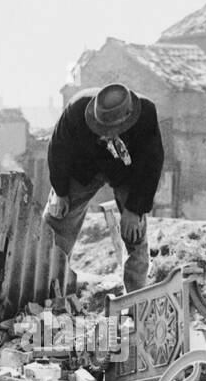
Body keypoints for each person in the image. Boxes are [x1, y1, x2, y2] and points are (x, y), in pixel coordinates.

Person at [45, 83, 164, 292]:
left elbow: (150, 165)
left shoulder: (146, 114)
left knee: (134, 233)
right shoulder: (76, 109)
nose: (106, 133)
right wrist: (60, 192)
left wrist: (134, 210)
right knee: (56, 221)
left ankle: (135, 301)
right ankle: (48, 290)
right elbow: (58, 150)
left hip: (127, 171)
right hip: (84, 167)